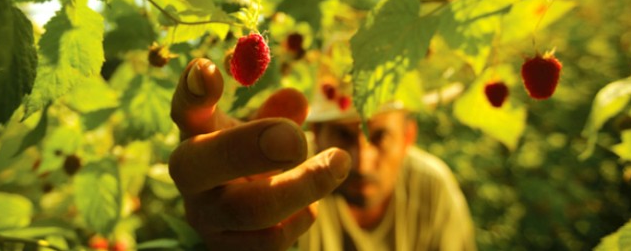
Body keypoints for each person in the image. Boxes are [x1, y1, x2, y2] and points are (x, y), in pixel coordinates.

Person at [168, 58, 476, 251]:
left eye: (379, 136)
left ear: (409, 137)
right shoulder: (288, 185)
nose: (362, 159)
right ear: (315, 134)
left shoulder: (433, 187)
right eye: (343, 135)